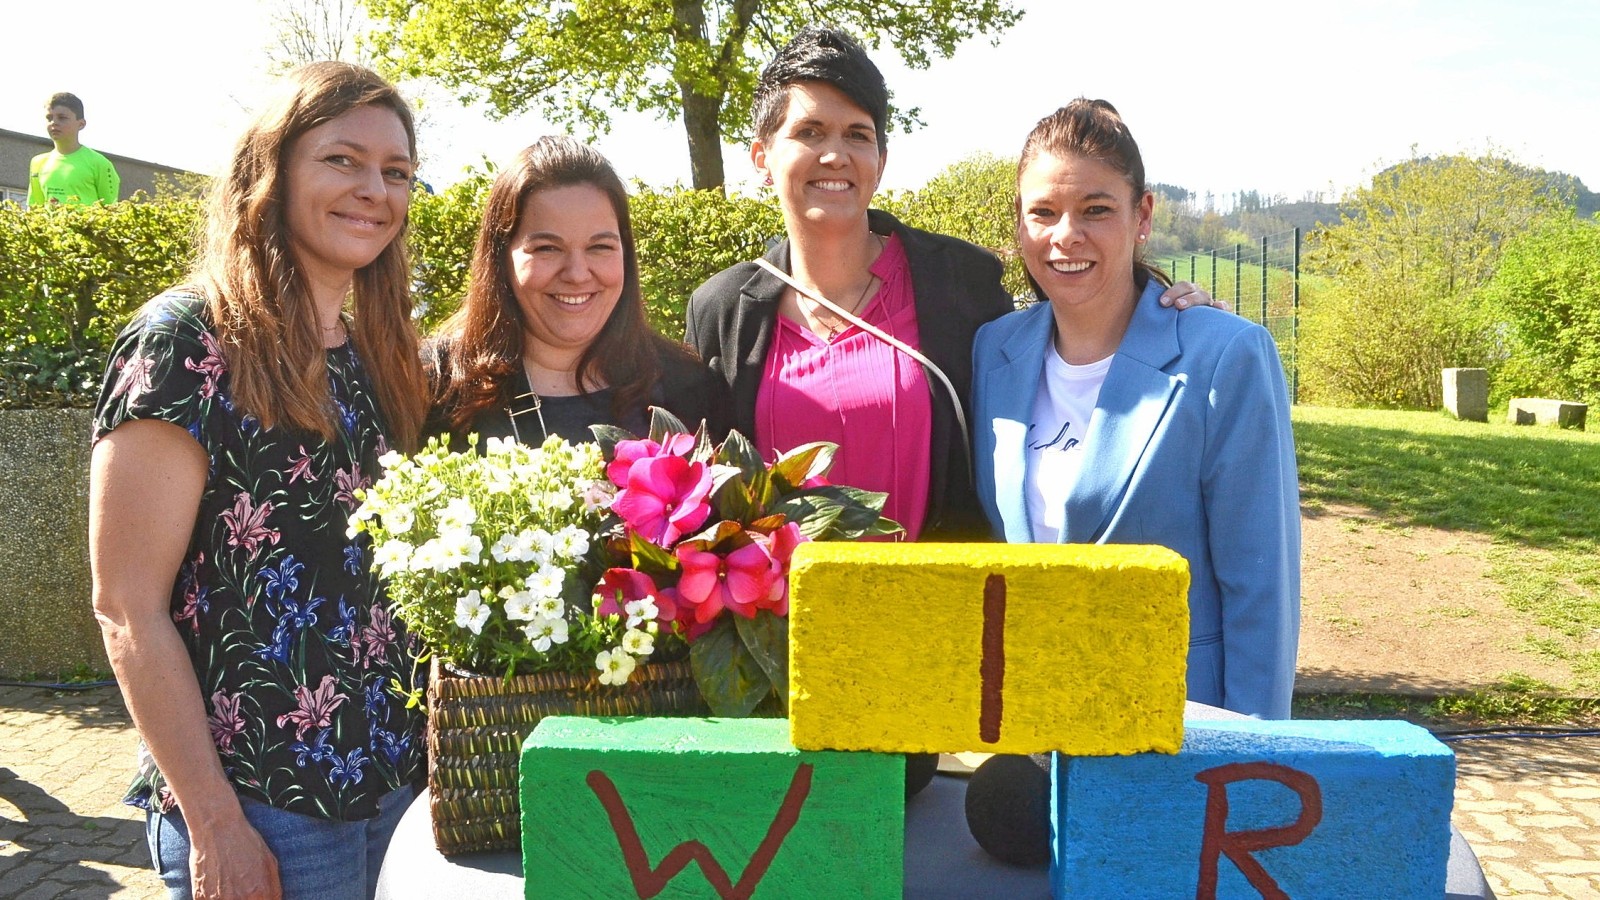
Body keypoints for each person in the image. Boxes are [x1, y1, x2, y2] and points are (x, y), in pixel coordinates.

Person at [90, 62, 430, 899]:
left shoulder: (373, 357)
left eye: (396, 172)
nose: (374, 190)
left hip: (394, 785)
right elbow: (126, 605)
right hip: (264, 803)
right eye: (342, 160)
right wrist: (214, 824)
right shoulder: (184, 343)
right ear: (269, 173)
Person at [685, 27, 1213, 543]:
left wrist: (1164, 314)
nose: (835, 155)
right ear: (761, 157)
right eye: (809, 131)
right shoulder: (722, 312)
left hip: (942, 613)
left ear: (881, 162)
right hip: (783, 625)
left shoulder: (960, 282)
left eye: (858, 135)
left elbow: (1067, 338)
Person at [972, 99, 1300, 719]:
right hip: (1033, 722)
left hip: (1177, 731)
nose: (1066, 235)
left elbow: (1262, 587)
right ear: (1019, 224)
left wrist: (1255, 758)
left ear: (1142, 214)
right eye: (1043, 212)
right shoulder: (994, 351)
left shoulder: (1226, 355)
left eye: (1096, 209)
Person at [427, 136, 730, 446]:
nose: (576, 274)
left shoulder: (688, 388)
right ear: (501, 257)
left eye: (599, 247)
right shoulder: (434, 389)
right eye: (547, 248)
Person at [29, 92, 120, 206]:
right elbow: (34, 209)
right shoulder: (38, 163)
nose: (54, 122)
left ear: (81, 124)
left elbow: (111, 211)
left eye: (62, 118)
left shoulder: (100, 163)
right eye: (49, 118)